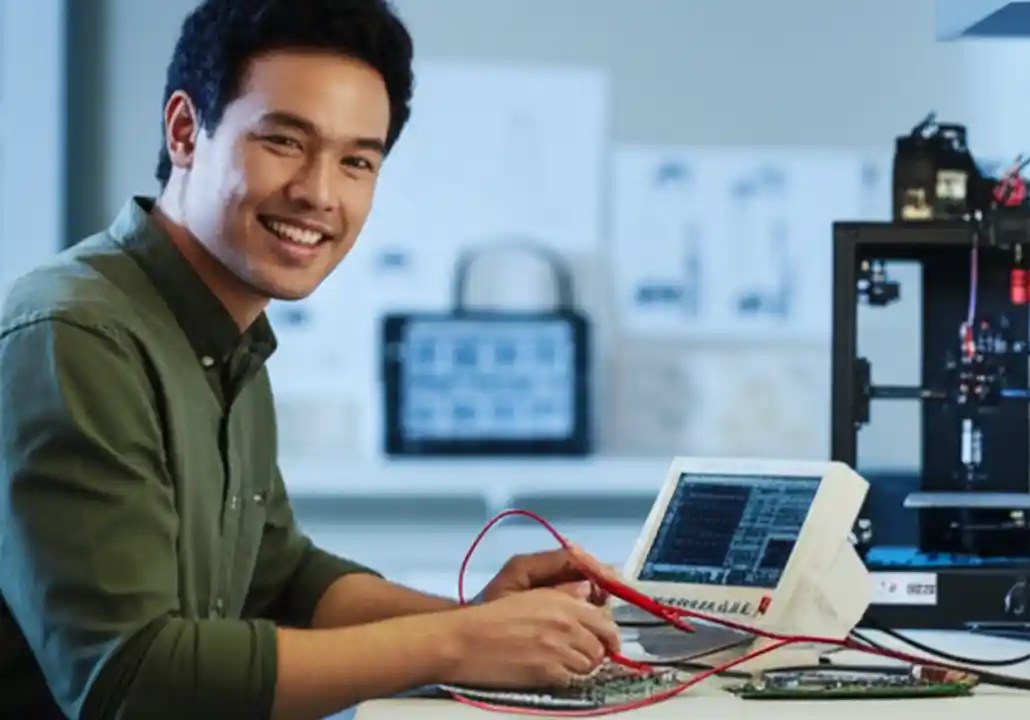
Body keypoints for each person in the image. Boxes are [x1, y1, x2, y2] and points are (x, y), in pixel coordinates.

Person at [0, 1, 622, 718]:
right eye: (284, 142)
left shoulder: (222, 337)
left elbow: (283, 580)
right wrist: (457, 642)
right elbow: (133, 677)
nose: (320, 193)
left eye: (357, 160)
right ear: (184, 130)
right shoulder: (78, 332)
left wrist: (484, 621)